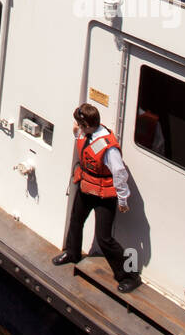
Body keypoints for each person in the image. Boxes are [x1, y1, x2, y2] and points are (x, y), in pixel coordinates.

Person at [52, 103, 141, 293]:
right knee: (76, 221)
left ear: (90, 125)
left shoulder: (109, 148)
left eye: (82, 125)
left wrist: (123, 200)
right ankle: (72, 253)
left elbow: (119, 173)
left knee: (105, 239)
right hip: (86, 187)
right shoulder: (85, 133)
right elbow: (79, 136)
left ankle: (130, 275)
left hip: (104, 195)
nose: (79, 128)